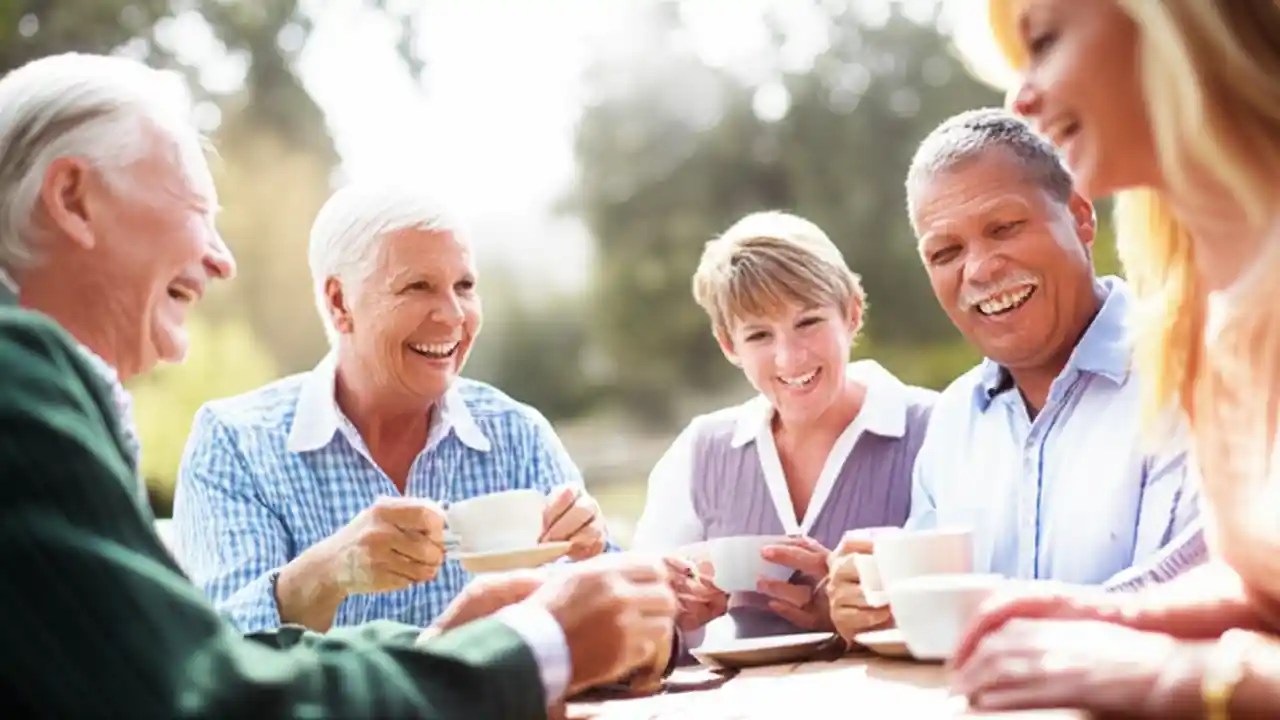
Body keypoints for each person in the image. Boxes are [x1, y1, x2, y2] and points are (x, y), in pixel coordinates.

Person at [0, 51, 677, 718]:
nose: (221, 259)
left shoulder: (517, 428)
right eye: (195, 208)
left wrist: (471, 644)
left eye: (465, 285)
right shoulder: (20, 385)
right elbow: (211, 692)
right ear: (72, 200)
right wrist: (529, 645)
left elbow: (178, 677)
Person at [948, 1, 1280, 716]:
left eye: (1044, 44)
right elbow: (1266, 589)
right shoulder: (1200, 306)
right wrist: (1107, 619)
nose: (1021, 97)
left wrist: (1179, 676)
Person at [827, 108, 1203, 642]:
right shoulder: (952, 422)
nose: (978, 269)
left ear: (1080, 216)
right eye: (946, 252)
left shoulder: (1189, 370)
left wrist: (990, 620)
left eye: (1004, 228)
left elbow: (1188, 596)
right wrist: (875, 602)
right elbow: (921, 613)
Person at [173, 184, 612, 633]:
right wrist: (326, 574)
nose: (453, 315)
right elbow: (215, 658)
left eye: (464, 286)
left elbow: (635, 621)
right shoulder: (235, 444)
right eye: (418, 286)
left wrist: (590, 559)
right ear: (340, 303)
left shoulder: (518, 434)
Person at [632, 210, 937, 641]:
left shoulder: (934, 430)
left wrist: (859, 616)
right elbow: (636, 619)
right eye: (759, 336)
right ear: (728, 345)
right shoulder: (700, 451)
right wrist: (678, 618)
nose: (789, 359)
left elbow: (972, 597)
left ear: (851, 313)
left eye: (808, 322)